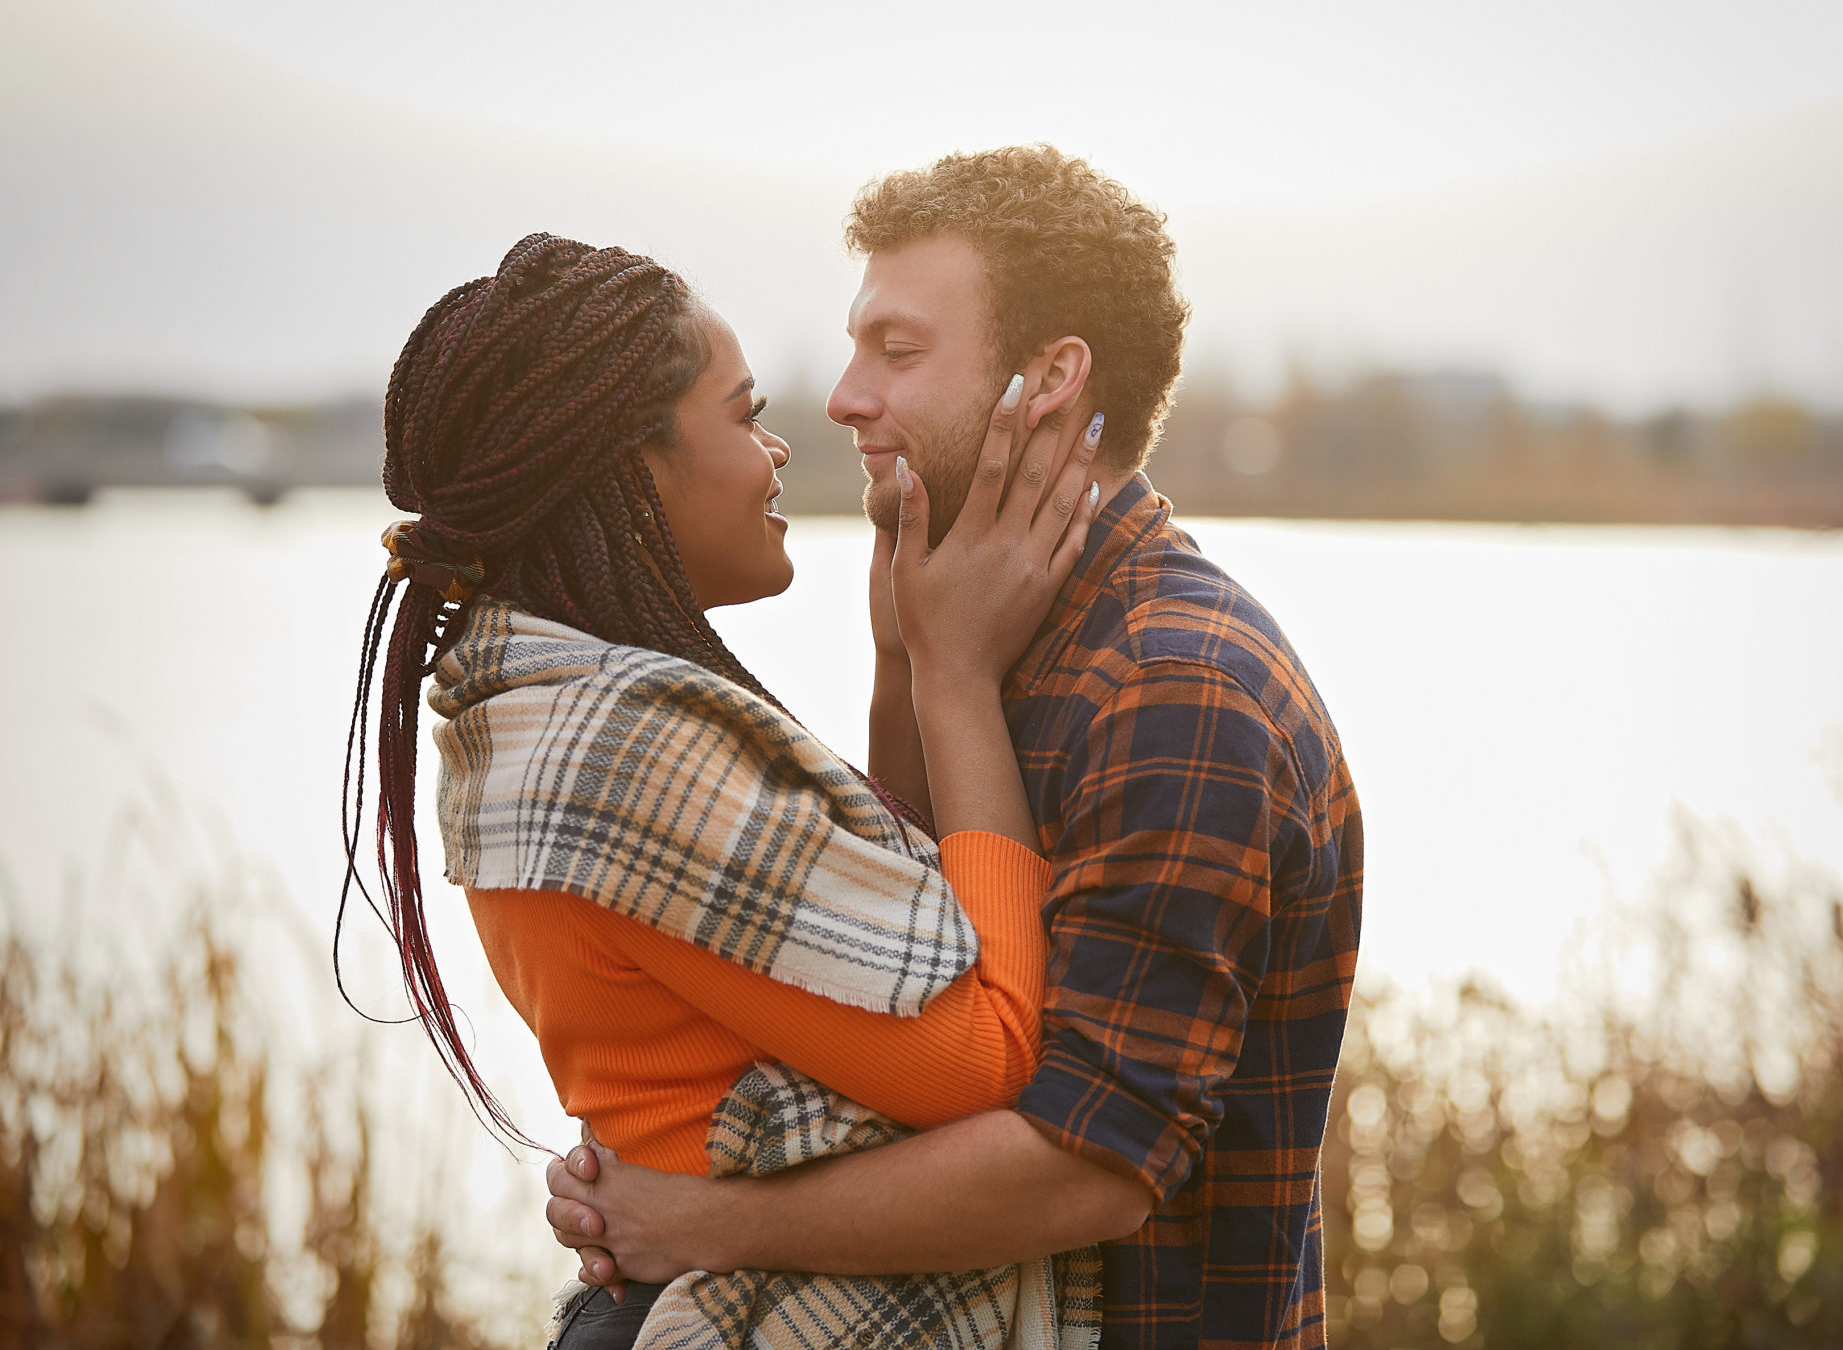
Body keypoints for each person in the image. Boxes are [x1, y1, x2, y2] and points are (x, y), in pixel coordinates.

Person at [546, 148, 1366, 1348]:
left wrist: (708, 1225)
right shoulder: (999, 620)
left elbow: (1089, 1163)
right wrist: (911, 663)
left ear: (1047, 380)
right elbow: (920, 965)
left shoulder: (1172, 687)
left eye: (898, 350)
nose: (840, 397)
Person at [341, 231, 1116, 1348]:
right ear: (630, 467)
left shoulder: (531, 707)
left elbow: (904, 924)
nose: (779, 449)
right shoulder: (618, 749)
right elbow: (986, 1051)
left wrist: (900, 653)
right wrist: (958, 676)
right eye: (744, 415)